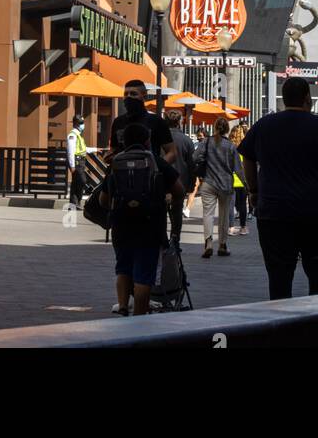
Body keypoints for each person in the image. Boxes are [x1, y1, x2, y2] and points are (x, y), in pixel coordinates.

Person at [238, 77, 318, 300]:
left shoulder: (264, 125)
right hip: (317, 212)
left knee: (279, 278)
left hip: (274, 212)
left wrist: (253, 190)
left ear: (284, 98)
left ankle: (282, 328)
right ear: (307, 99)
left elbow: (247, 158)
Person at [98, 120, 184, 316]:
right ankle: (138, 317)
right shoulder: (155, 160)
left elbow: (103, 200)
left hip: (121, 225)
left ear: (124, 141)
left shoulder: (116, 163)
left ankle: (121, 306)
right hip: (150, 225)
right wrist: (167, 199)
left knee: (123, 267)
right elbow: (179, 190)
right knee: (144, 275)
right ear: (147, 141)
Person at [195, 115, 242, 257]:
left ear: (215, 128)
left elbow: (194, 157)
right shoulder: (231, 146)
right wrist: (247, 185)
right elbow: (238, 169)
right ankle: (222, 245)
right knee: (224, 215)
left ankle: (208, 242)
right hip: (226, 184)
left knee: (208, 214)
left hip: (208, 182)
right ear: (227, 129)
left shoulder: (206, 142)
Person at [108, 79, 176, 165]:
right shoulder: (118, 121)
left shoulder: (156, 121)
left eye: (133, 94)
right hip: (122, 173)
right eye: (126, 94)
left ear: (144, 97)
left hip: (149, 175)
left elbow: (172, 152)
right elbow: (113, 150)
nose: (129, 97)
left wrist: (157, 168)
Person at [166, 109, 196, 227]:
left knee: (161, 210)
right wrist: (192, 184)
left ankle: (162, 239)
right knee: (177, 211)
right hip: (181, 180)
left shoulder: (159, 138)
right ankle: (175, 238)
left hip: (162, 179)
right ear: (179, 122)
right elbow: (192, 164)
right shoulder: (186, 140)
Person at [67, 114, 88, 207]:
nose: (82, 125)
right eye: (81, 123)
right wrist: (72, 165)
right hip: (76, 161)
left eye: (82, 123)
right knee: (82, 181)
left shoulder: (79, 135)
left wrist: (96, 149)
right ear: (76, 124)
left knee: (76, 182)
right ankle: (75, 202)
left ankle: (74, 203)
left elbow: (83, 149)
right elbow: (70, 151)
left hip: (81, 161)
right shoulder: (72, 135)